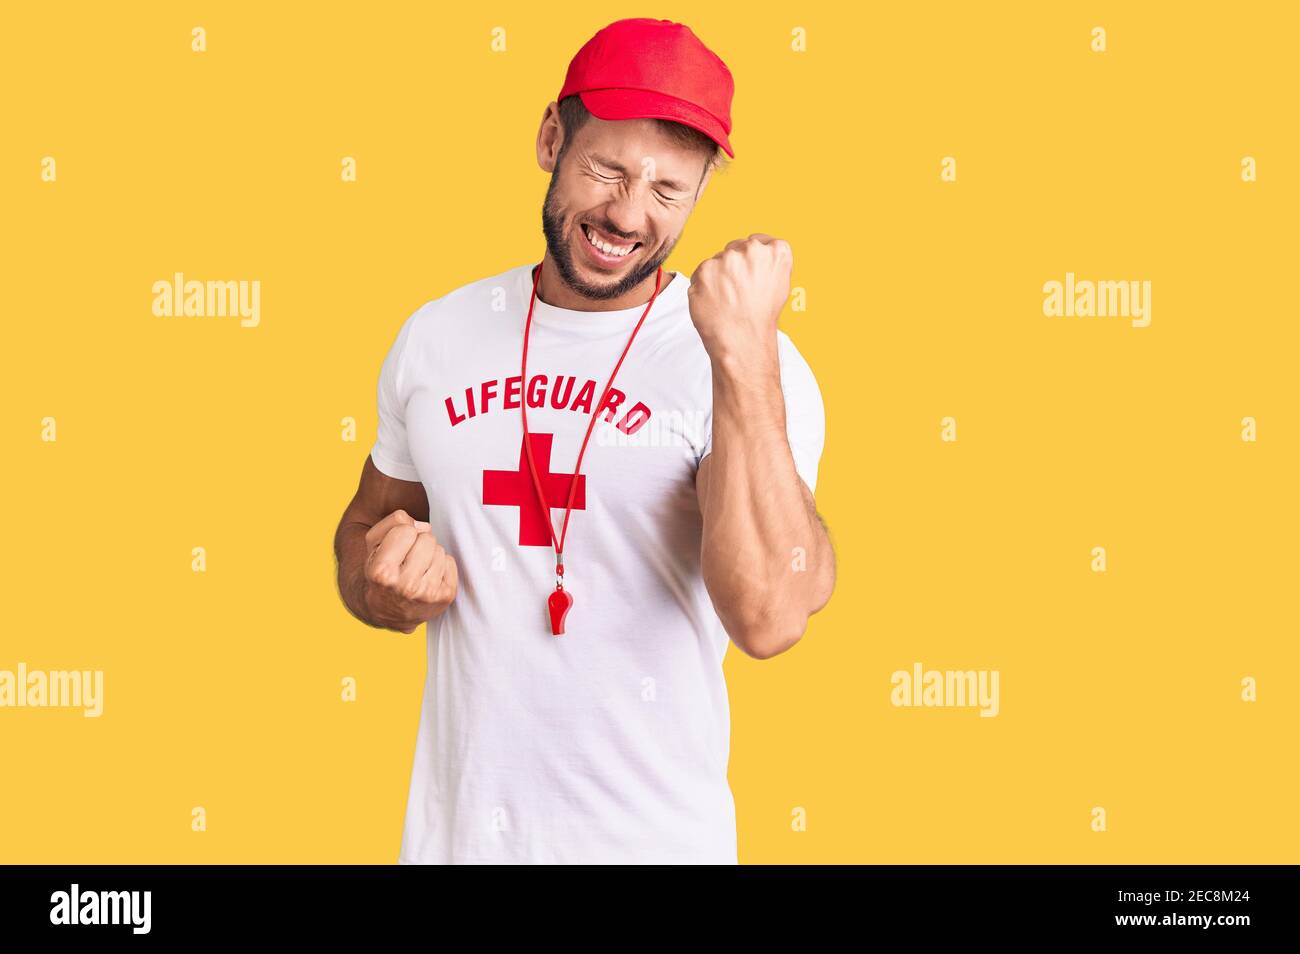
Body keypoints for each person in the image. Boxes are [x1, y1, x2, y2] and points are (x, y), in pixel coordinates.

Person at [333, 17, 835, 864]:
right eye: (607, 169)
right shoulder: (439, 336)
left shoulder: (743, 361)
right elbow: (362, 535)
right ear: (550, 138)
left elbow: (771, 613)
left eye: (668, 191)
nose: (627, 214)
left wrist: (744, 357)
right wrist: (381, 589)